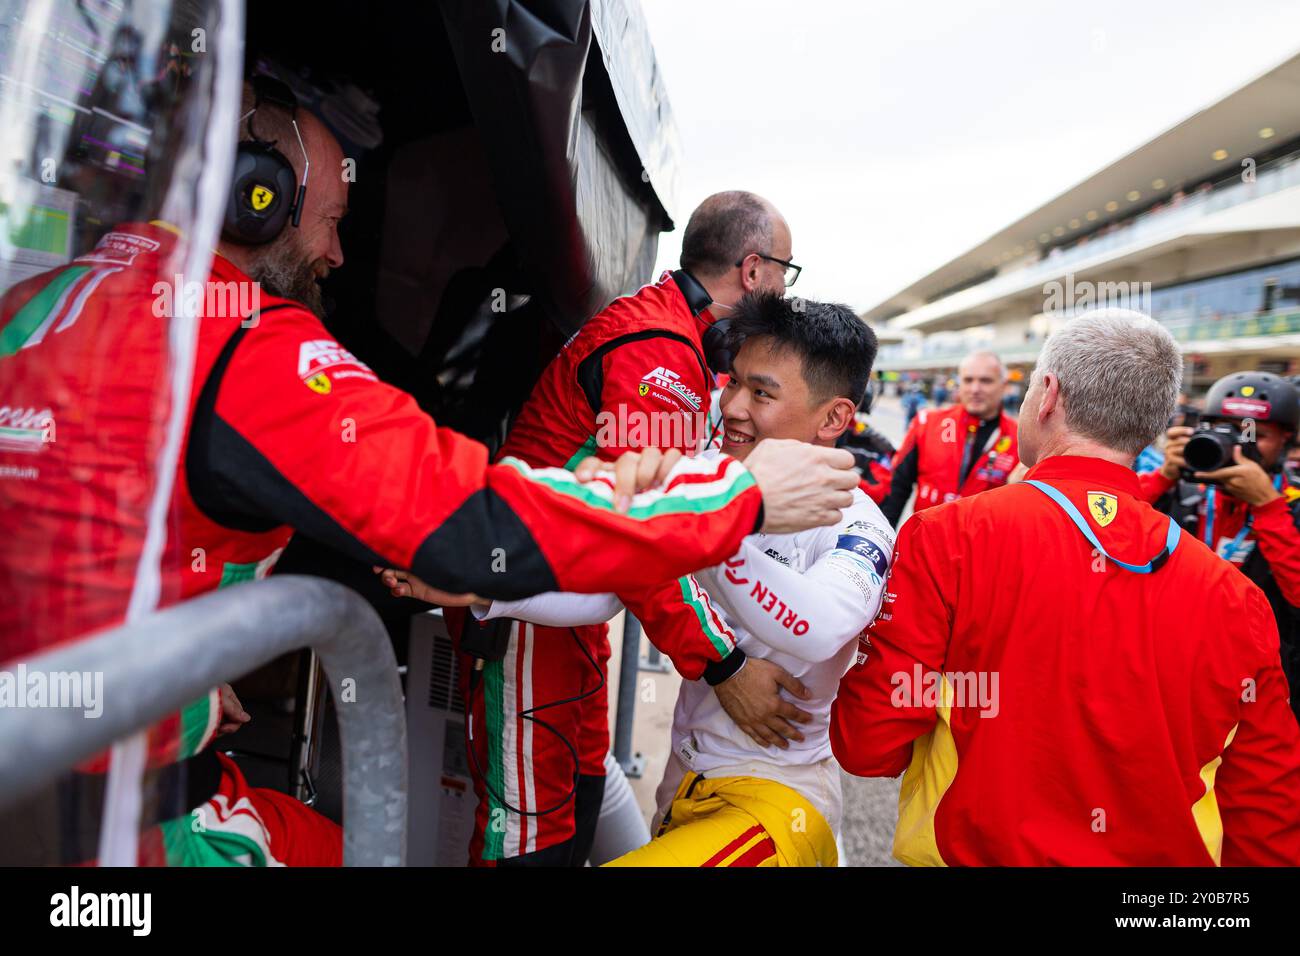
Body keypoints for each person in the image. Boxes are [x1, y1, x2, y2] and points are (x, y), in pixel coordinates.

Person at [0, 82, 856, 866]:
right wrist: (740, 501)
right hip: (117, 829)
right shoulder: (241, 341)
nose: (337, 253)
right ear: (255, 200)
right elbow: (469, 520)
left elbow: (78, 522)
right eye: (331, 220)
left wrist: (180, 664)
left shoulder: (34, 303)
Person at [387, 292, 891, 866]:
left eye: (763, 393)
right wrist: (489, 587)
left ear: (834, 418)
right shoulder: (715, 484)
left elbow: (819, 629)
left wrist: (713, 529)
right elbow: (610, 588)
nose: (732, 406)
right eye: (733, 383)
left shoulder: (857, 523)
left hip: (775, 807)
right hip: (683, 788)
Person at [831, 309, 1300, 865]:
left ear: (1047, 395)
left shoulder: (947, 536)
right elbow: (1267, 806)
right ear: (1153, 423)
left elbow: (869, 745)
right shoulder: (1237, 596)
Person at [438, 190, 810, 867]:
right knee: (527, 845)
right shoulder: (660, 350)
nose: (785, 289)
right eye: (786, 271)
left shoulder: (674, 332)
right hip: (529, 614)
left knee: (575, 806)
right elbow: (646, 533)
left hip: (570, 613)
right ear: (753, 271)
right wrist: (722, 663)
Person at [1138, 372, 1300, 723]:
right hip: (1171, 666)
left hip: (1262, 678)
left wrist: (1268, 508)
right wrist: (1165, 474)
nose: (1237, 444)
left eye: (1255, 433)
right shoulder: (1179, 488)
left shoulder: (1292, 502)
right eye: (1222, 429)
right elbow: (1100, 532)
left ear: (1288, 439)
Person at [878, 350, 1019, 527]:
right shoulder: (927, 423)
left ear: (1004, 386)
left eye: (986, 381)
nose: (975, 389)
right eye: (968, 380)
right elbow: (897, 488)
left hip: (982, 550)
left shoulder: (1020, 438)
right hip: (925, 545)